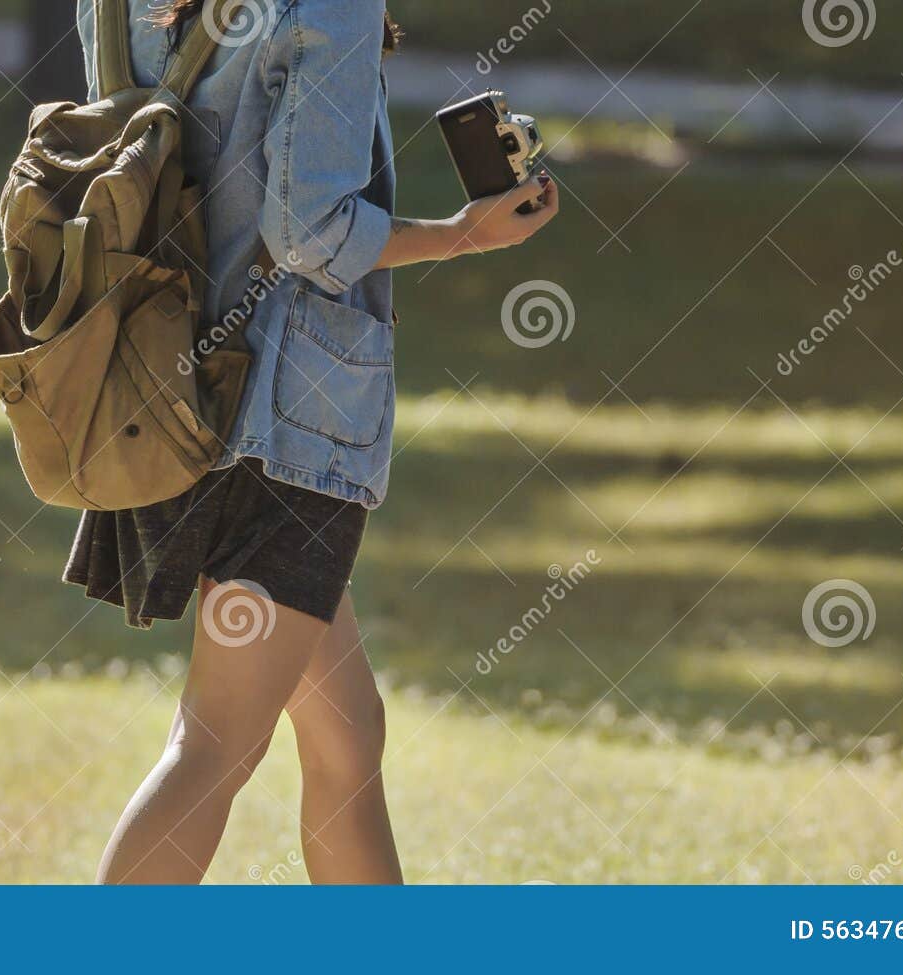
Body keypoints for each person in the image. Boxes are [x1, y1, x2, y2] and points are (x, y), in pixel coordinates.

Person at [67, 0, 560, 884]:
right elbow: (311, 232)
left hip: (163, 392)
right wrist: (464, 235)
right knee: (216, 744)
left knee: (347, 735)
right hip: (285, 415)